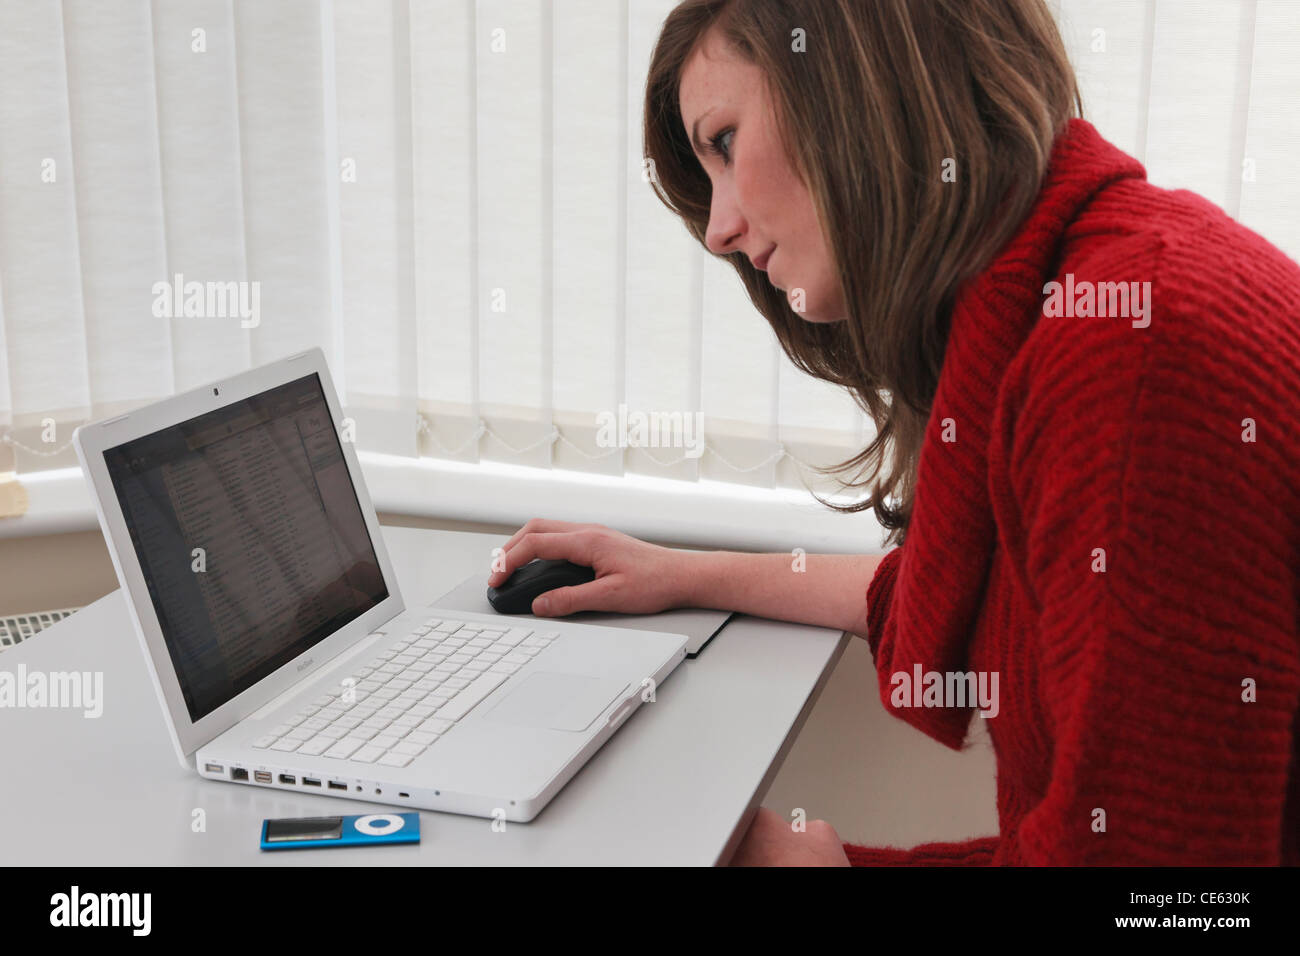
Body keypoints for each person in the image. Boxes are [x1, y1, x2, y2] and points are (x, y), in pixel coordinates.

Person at [489, 0, 1300, 865]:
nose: (720, 229)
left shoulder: (1125, 352)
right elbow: (961, 587)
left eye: (724, 141)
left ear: (851, 83)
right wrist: (682, 573)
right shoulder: (1063, 292)